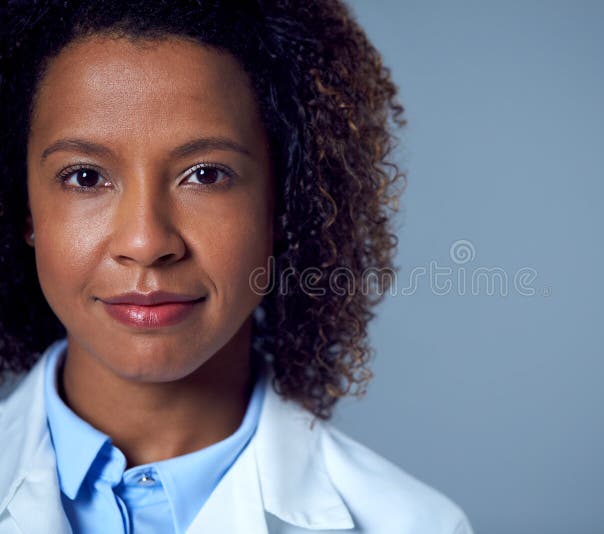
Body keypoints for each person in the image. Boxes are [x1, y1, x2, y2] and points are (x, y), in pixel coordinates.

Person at [0, 1, 474, 533]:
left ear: (283, 202)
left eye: (205, 175)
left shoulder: (416, 524)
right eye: (85, 177)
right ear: (24, 210)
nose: (146, 242)